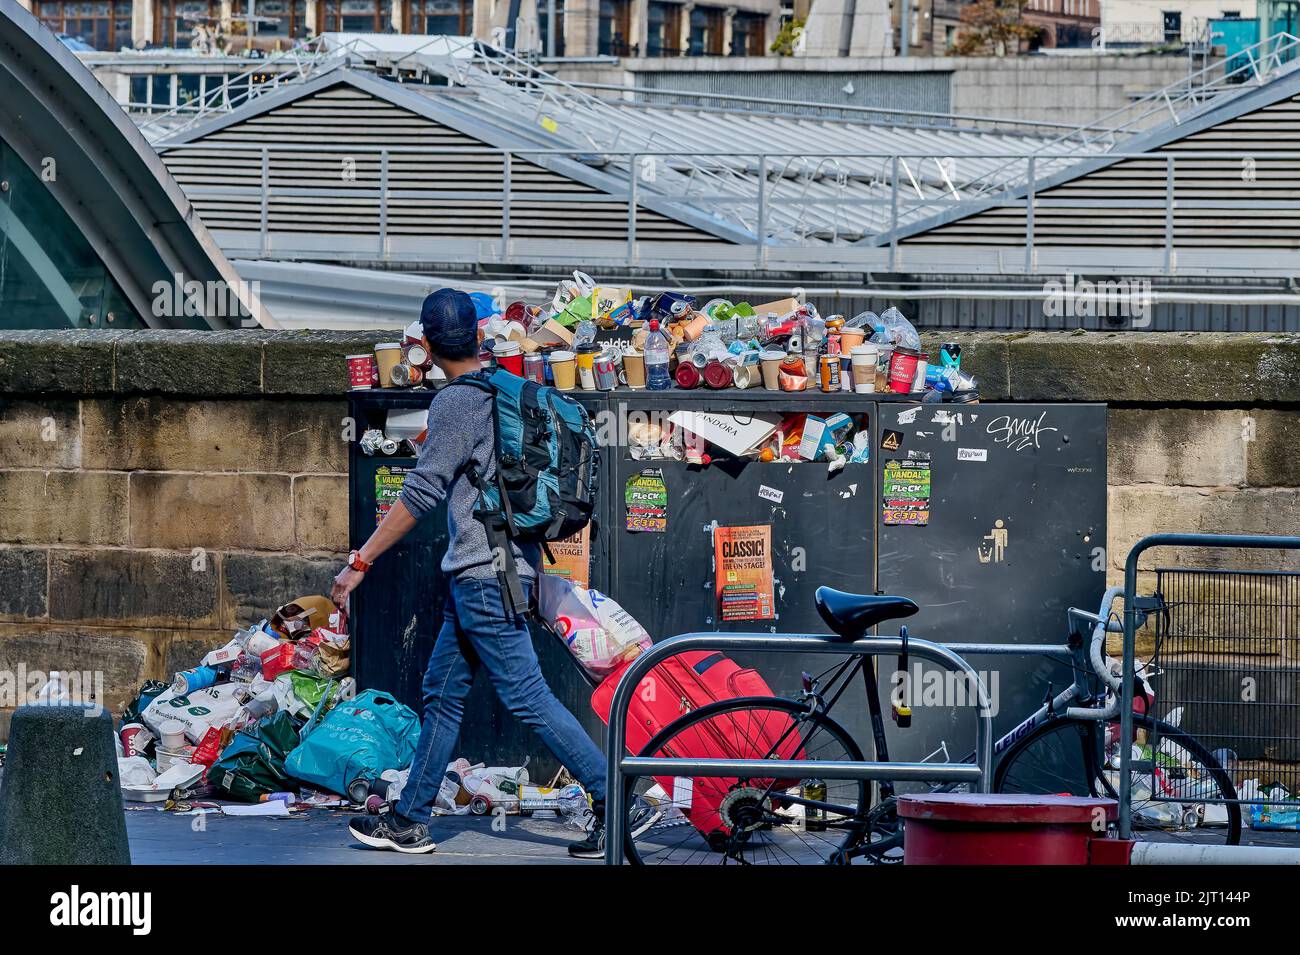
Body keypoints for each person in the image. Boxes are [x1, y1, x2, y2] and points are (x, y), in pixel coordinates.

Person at [334, 288, 611, 859]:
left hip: (486, 575)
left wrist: (360, 561)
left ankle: (614, 798)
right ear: (480, 339)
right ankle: (410, 819)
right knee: (441, 693)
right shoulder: (504, 389)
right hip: (497, 569)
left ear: (429, 346)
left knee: (529, 697)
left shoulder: (458, 403)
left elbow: (421, 493)